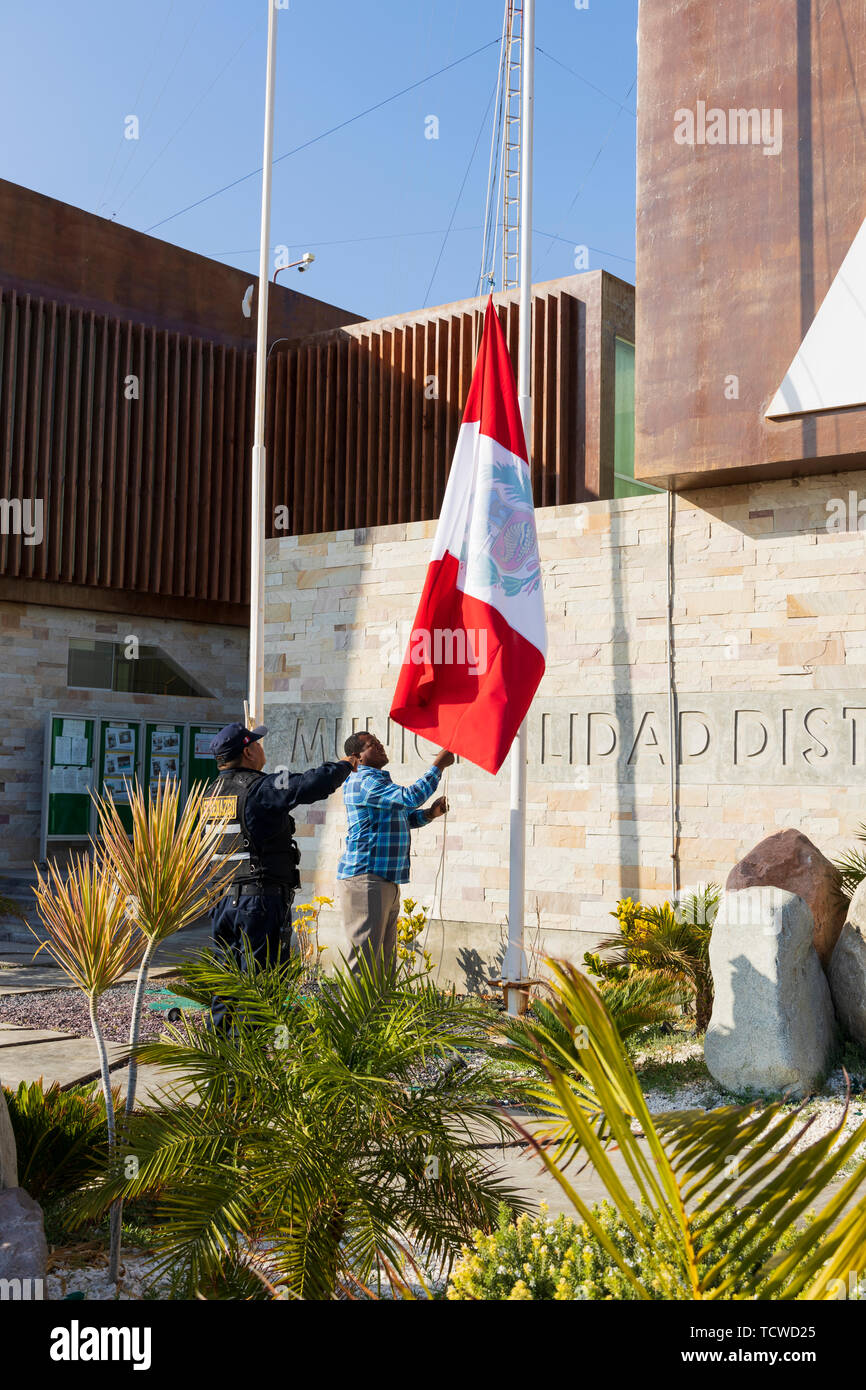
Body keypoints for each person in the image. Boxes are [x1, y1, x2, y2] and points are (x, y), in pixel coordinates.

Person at [203, 723, 352, 1009]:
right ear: (247, 751)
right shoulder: (260, 788)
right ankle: (254, 1049)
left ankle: (223, 1051)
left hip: (221, 901)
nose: (262, 748)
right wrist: (346, 764)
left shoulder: (209, 795)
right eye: (257, 743)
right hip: (257, 902)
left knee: (226, 983)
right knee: (261, 984)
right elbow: (307, 784)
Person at [337, 730, 453, 974]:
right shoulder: (364, 781)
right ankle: (359, 1013)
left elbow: (401, 817)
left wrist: (430, 814)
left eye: (379, 741)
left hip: (383, 879)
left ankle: (381, 1012)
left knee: (384, 962)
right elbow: (410, 798)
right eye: (372, 744)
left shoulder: (377, 782)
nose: (380, 746)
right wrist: (438, 766)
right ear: (357, 756)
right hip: (366, 878)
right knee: (365, 964)